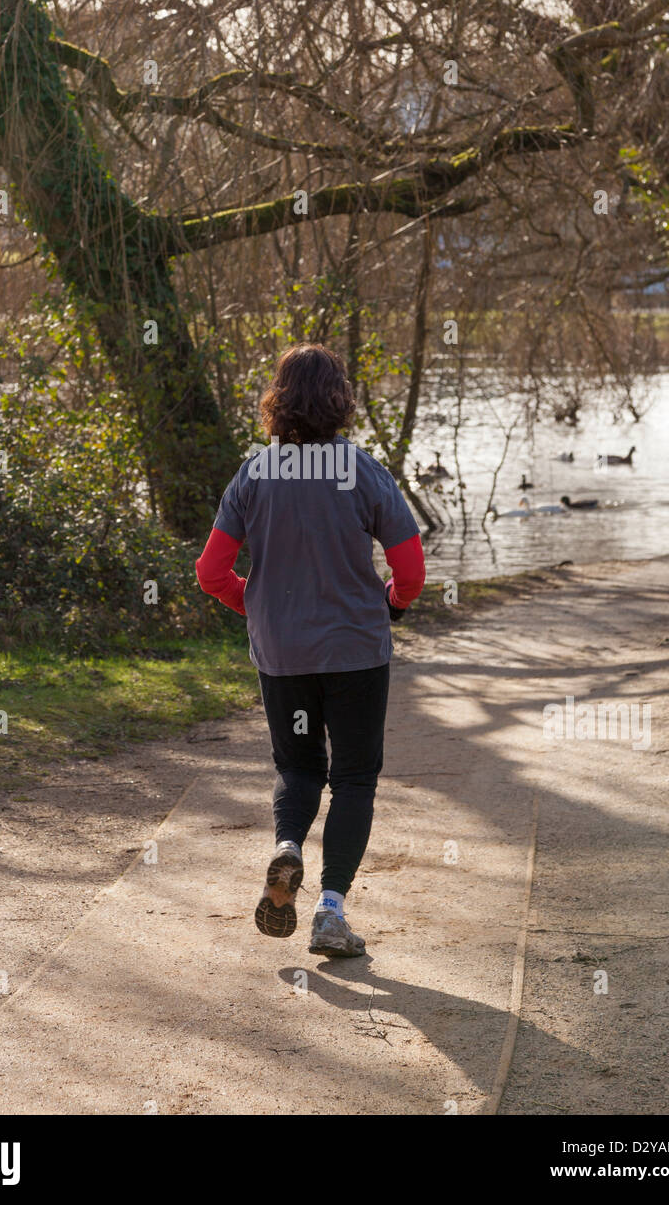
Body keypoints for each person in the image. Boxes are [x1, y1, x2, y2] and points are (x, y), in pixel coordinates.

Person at [195, 343, 425, 957]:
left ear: (279, 399)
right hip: (355, 649)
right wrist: (393, 605)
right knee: (353, 777)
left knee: (297, 767)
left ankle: (288, 846)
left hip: (282, 653)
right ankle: (330, 911)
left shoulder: (254, 473)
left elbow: (211, 572)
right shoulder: (364, 471)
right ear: (339, 400)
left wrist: (260, 608)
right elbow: (411, 567)